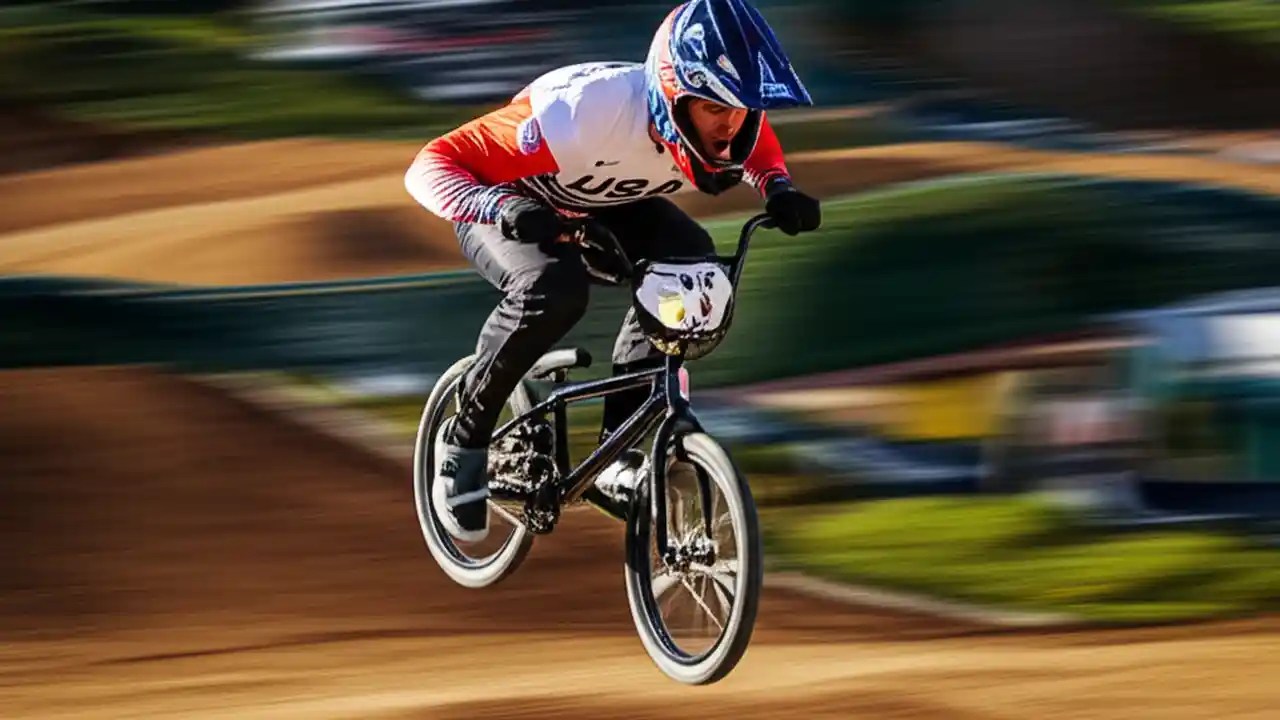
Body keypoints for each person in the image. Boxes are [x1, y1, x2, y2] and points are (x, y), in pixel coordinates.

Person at [405, 0, 822, 542]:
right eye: (714, 107)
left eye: (741, 107)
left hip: (600, 203)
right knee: (553, 289)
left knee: (690, 264)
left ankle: (615, 454)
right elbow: (430, 165)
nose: (731, 123)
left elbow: (759, 145)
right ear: (673, 98)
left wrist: (777, 187)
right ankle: (464, 439)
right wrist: (499, 207)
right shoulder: (579, 114)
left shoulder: (733, 125)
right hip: (503, 202)